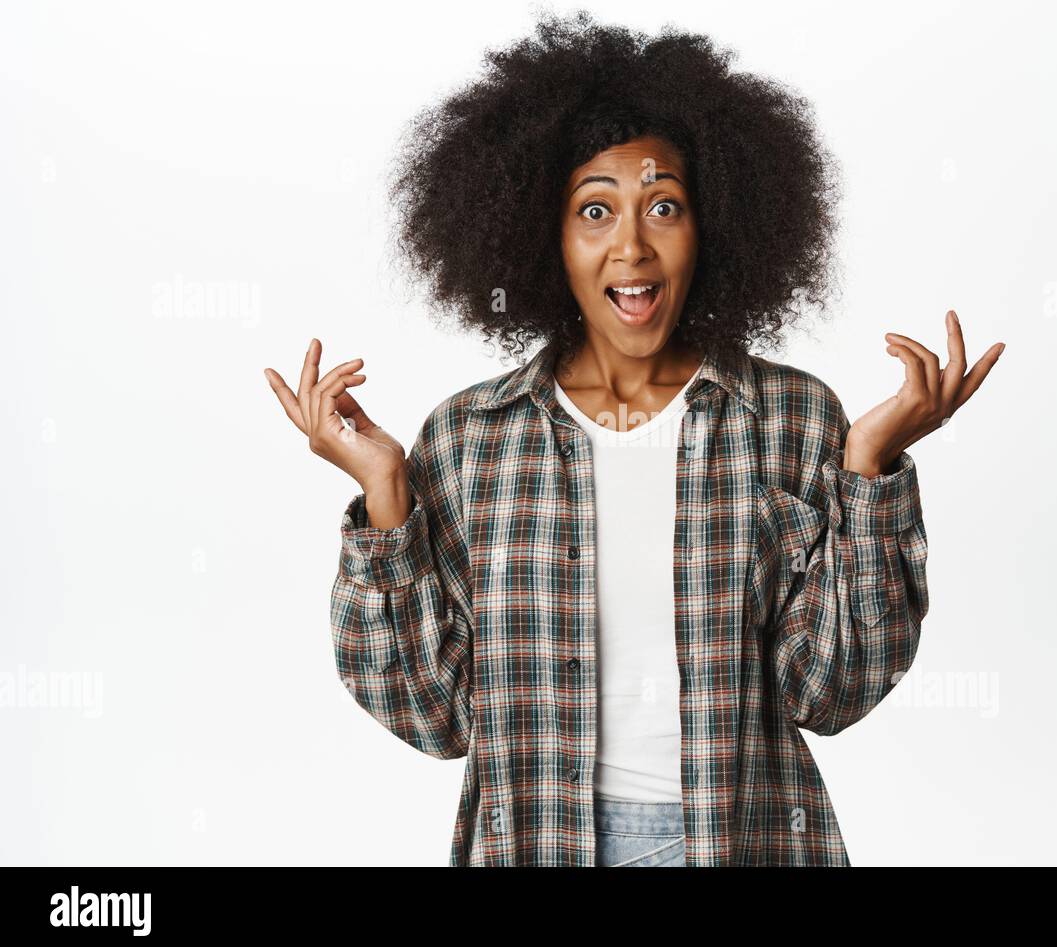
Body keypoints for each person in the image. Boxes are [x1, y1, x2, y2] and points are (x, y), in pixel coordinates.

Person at [264, 11, 1004, 866]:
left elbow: (832, 694)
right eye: (594, 211)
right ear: (545, 237)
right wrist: (387, 491)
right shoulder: (472, 439)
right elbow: (436, 718)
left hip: (742, 843)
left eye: (663, 206)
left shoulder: (795, 422)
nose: (631, 245)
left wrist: (868, 471)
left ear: (713, 228)